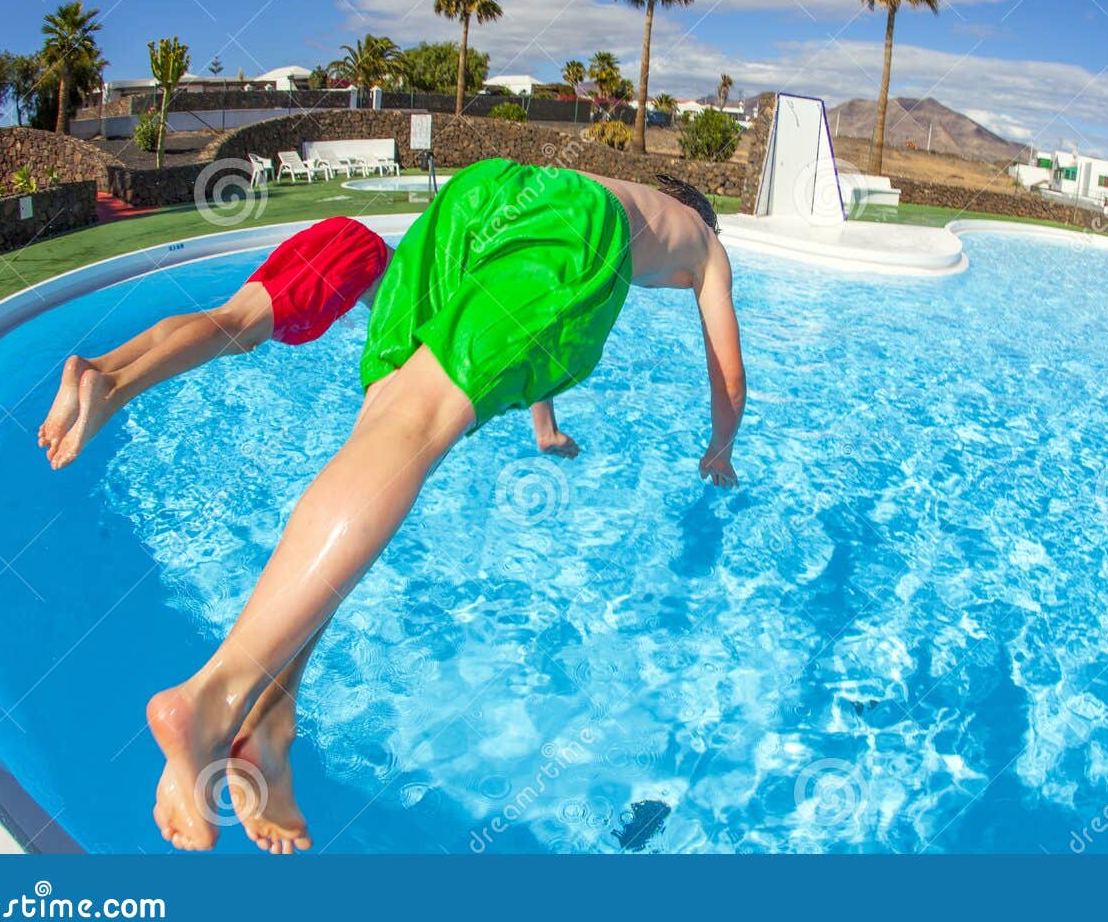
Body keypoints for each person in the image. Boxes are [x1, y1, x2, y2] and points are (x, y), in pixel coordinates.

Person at [142, 158, 747, 853]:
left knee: (382, 440)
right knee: (416, 426)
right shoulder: (704, 243)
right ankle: (211, 698)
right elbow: (728, 374)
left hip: (479, 198)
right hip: (571, 222)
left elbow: (530, 271)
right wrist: (721, 448)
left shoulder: (614, 195)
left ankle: (272, 721)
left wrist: (544, 426)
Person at [38, 216, 391, 470]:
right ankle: (115, 388)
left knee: (225, 316)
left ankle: (100, 365)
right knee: (238, 329)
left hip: (346, 238)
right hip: (359, 258)